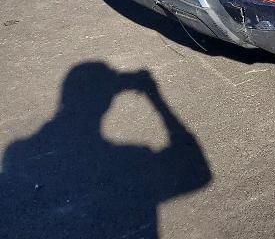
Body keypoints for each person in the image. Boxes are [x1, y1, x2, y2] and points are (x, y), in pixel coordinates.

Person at [0, 62, 211, 239]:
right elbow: (200, 174)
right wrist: (155, 98)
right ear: (107, 102)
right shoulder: (132, 158)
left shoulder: (18, 153)